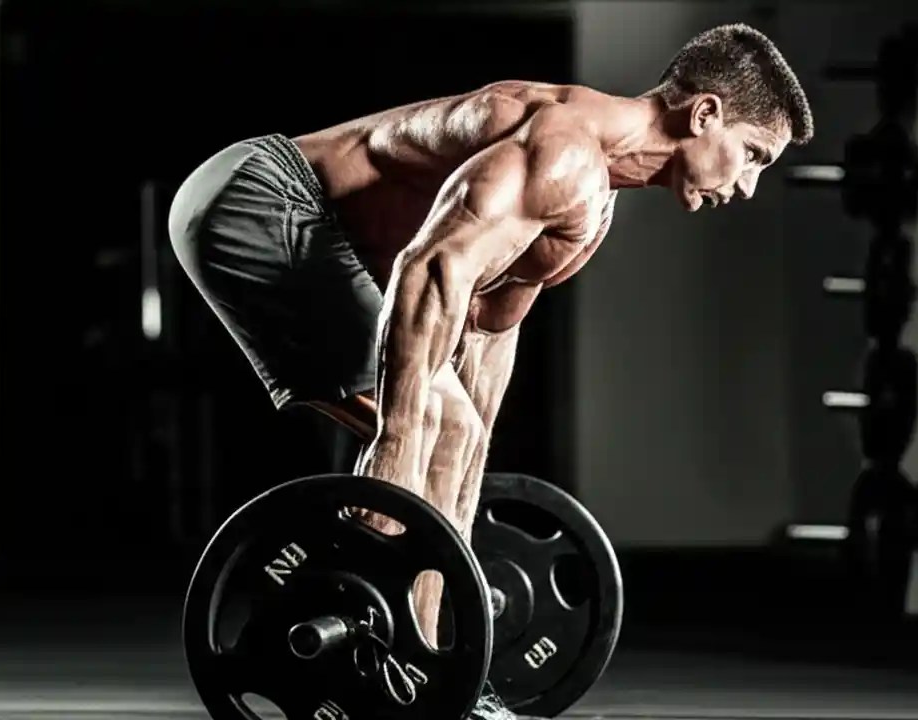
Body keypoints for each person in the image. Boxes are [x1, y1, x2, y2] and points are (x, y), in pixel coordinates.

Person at [169, 22, 812, 719]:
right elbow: (431, 269)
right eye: (752, 155)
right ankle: (389, 663)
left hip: (309, 225)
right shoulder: (566, 153)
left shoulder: (594, 206)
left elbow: (483, 331)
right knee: (424, 422)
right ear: (705, 113)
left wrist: (463, 477)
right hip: (261, 197)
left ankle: (427, 664)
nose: (747, 185)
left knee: (452, 426)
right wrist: (394, 442)